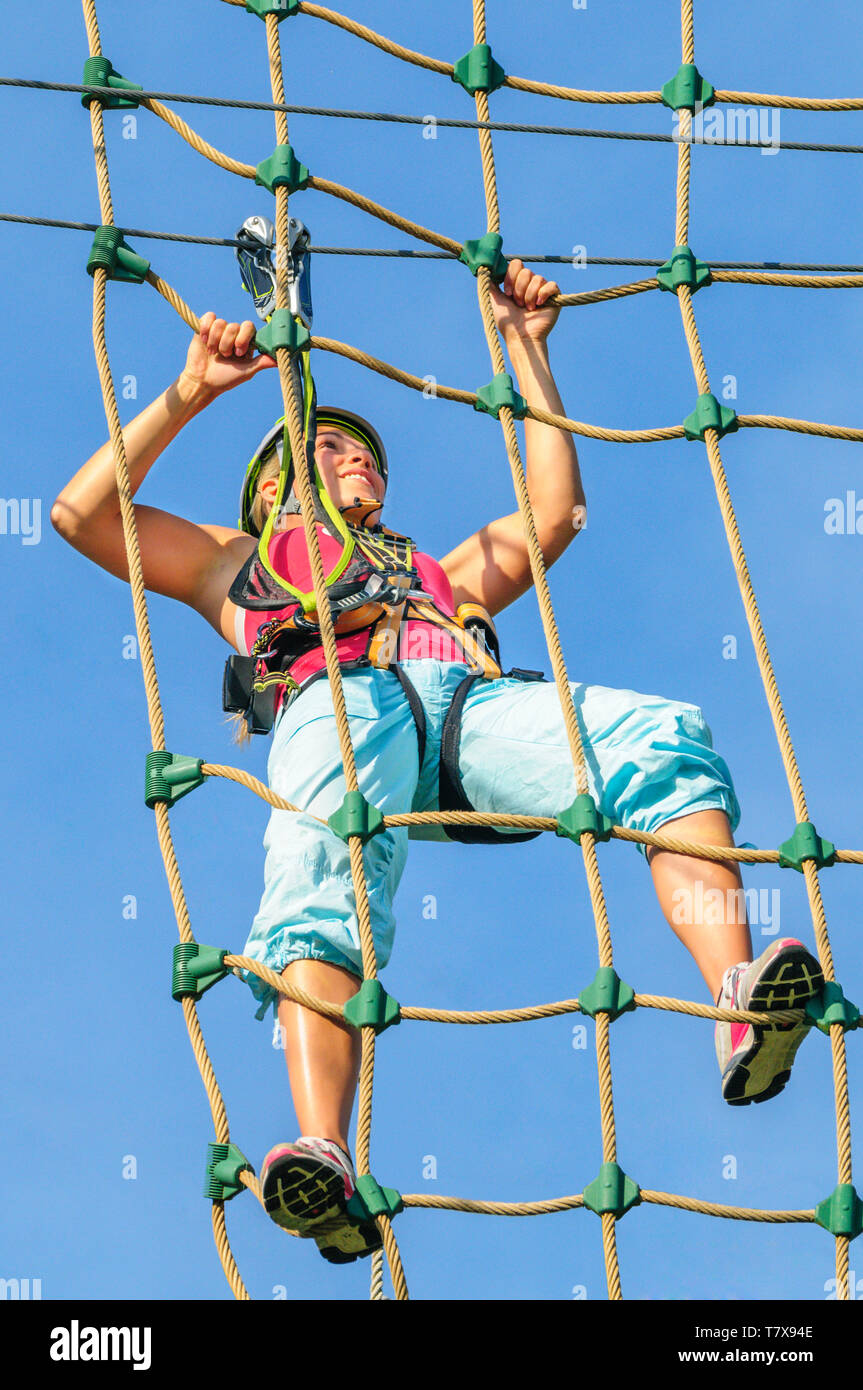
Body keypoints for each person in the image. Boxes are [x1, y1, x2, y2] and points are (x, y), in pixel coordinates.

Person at [52, 259, 824, 1266]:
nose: (357, 457)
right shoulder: (235, 566)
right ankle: (322, 1147)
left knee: (654, 737)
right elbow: (80, 514)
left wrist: (526, 350)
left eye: (364, 449)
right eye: (327, 446)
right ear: (278, 483)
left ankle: (735, 999)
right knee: (316, 868)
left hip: (465, 708)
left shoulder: (435, 575)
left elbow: (553, 516)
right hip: (336, 699)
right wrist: (190, 391)